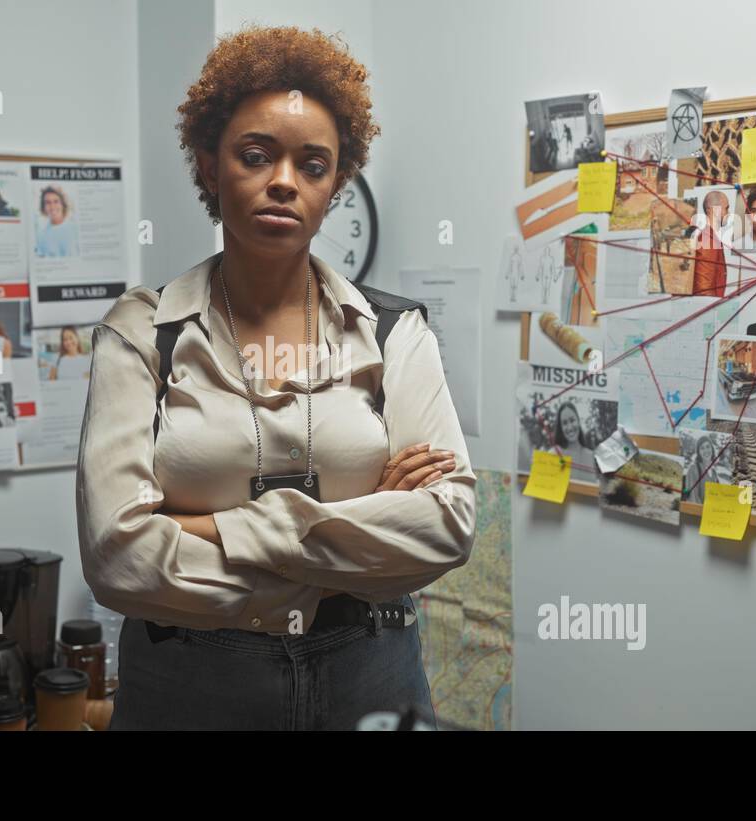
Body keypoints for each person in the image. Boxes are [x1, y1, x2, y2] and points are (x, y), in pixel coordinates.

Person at [76, 26, 475, 731]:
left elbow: (446, 526)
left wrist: (200, 527)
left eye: (313, 165)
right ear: (208, 165)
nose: (284, 181)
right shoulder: (141, 333)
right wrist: (358, 526)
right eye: (256, 155)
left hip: (371, 670)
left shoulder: (393, 332)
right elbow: (117, 558)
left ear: (335, 186)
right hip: (189, 683)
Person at [693, 190, 729, 297]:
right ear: (712, 210)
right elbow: (704, 289)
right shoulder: (708, 239)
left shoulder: (710, 237)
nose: (728, 213)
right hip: (708, 309)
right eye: (726, 208)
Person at [552, 402, 594, 483]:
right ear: (561, 428)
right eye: (564, 423)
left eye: (572, 420)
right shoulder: (553, 455)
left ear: (578, 420)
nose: (570, 427)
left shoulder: (592, 457)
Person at [34, 185, 81, 257]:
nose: (52, 207)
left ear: (63, 204)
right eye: (48, 202)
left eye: (56, 201)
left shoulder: (76, 229)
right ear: (44, 207)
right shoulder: (41, 235)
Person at [684, 435, 728, 504]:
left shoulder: (714, 472)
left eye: (708, 446)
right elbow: (693, 499)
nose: (706, 450)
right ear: (698, 452)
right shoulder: (693, 469)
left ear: (712, 449)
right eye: (702, 448)